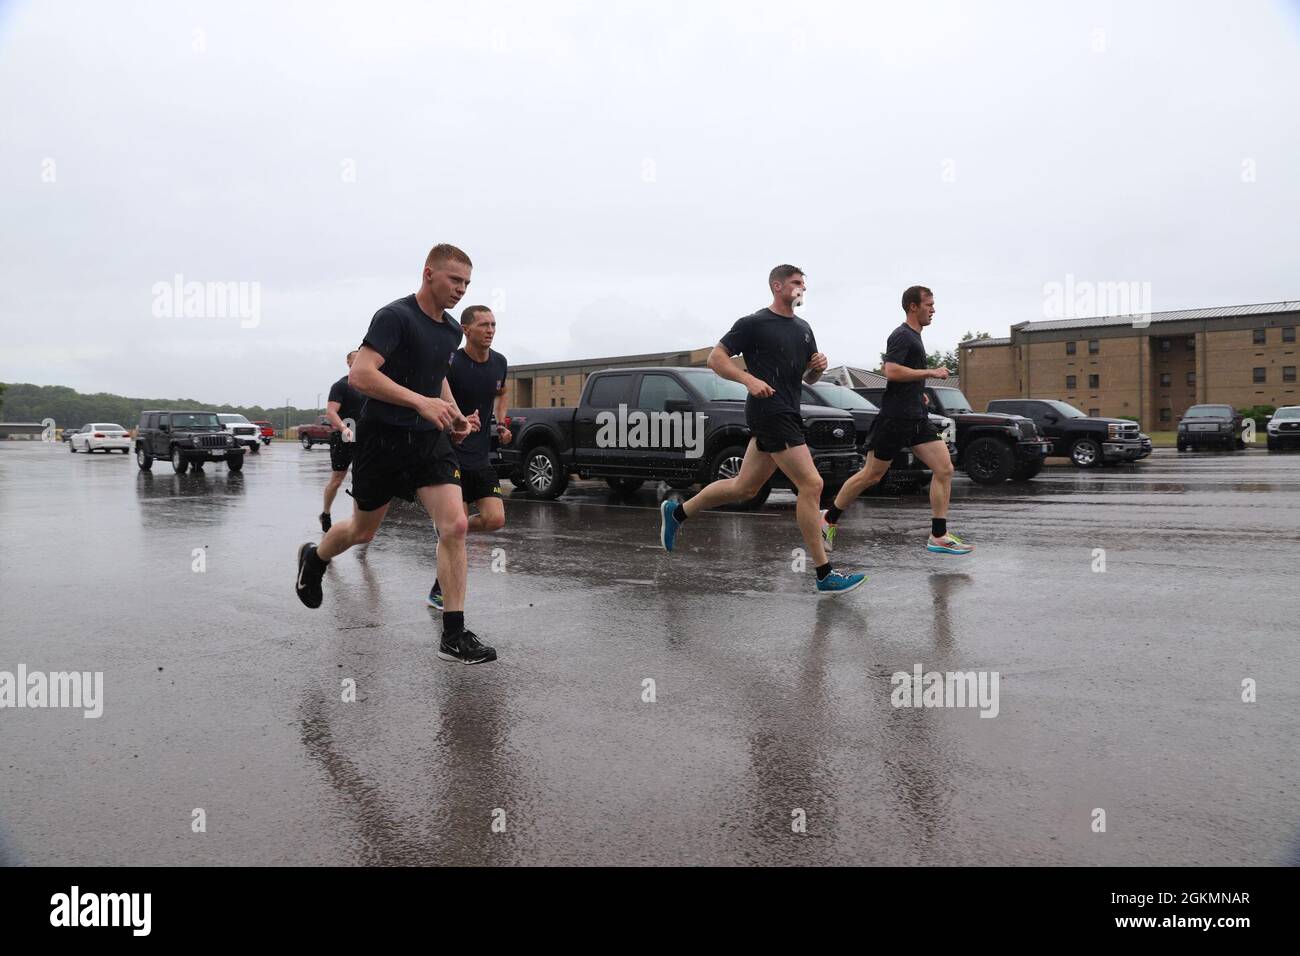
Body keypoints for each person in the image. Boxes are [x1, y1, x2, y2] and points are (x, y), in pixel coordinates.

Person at [294, 243, 498, 664]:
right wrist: (419, 402)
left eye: (467, 283)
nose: (461, 289)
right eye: (454, 280)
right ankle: (315, 558)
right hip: (382, 440)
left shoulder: (450, 331)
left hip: (427, 441)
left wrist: (454, 416)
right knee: (362, 531)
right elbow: (361, 374)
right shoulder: (395, 317)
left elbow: (437, 377)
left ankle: (453, 635)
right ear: (429, 274)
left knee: (456, 525)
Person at [657, 264, 866, 595]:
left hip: (788, 411)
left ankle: (677, 512)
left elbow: (807, 379)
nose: (801, 288)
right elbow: (716, 358)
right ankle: (824, 573)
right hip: (769, 411)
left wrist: (817, 369)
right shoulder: (754, 323)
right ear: (777, 286)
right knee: (812, 484)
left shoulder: (804, 329)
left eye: (803, 284)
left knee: (744, 487)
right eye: (796, 282)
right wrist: (748, 379)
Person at [820, 286, 973, 556]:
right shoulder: (902, 335)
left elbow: (906, 376)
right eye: (928, 305)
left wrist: (918, 392)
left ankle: (938, 535)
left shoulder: (916, 336)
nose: (933, 310)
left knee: (944, 468)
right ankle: (828, 519)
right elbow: (891, 371)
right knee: (871, 475)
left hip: (917, 417)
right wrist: (930, 372)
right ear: (913, 306)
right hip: (895, 418)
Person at [427, 305, 510, 611]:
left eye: (493, 325)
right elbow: (434, 394)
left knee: (495, 519)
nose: (490, 330)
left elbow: (501, 392)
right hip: (450, 453)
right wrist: (456, 419)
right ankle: (441, 592)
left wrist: (501, 423)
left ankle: (449, 527)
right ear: (465, 329)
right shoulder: (453, 363)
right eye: (484, 325)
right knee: (457, 530)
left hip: (480, 455)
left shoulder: (500, 362)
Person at [320, 350, 365, 532]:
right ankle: (326, 513)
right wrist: (343, 428)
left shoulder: (370, 385)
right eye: (356, 358)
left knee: (361, 478)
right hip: (345, 434)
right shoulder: (341, 386)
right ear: (348, 362)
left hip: (364, 437)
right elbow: (331, 412)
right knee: (337, 479)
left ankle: (357, 519)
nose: (361, 360)